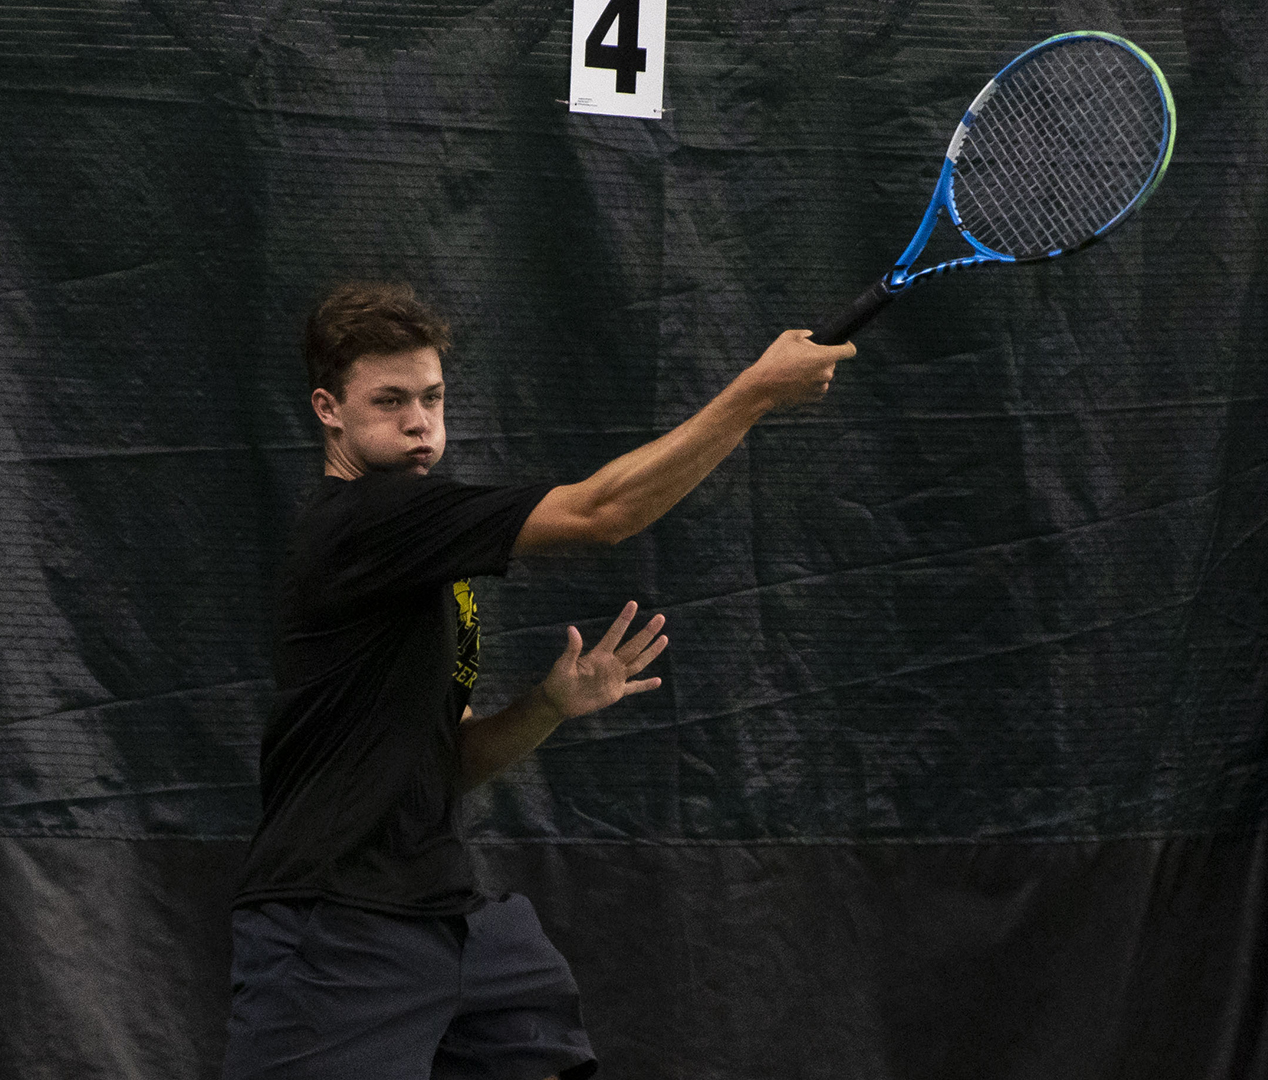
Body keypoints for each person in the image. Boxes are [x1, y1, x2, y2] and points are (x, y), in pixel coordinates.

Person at [223, 282, 853, 1080]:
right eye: (389, 401)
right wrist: (754, 393)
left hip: (457, 928)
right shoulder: (366, 520)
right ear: (328, 409)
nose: (419, 422)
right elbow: (602, 513)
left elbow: (442, 760)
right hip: (334, 930)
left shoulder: (420, 559)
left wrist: (548, 707)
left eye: (433, 396)